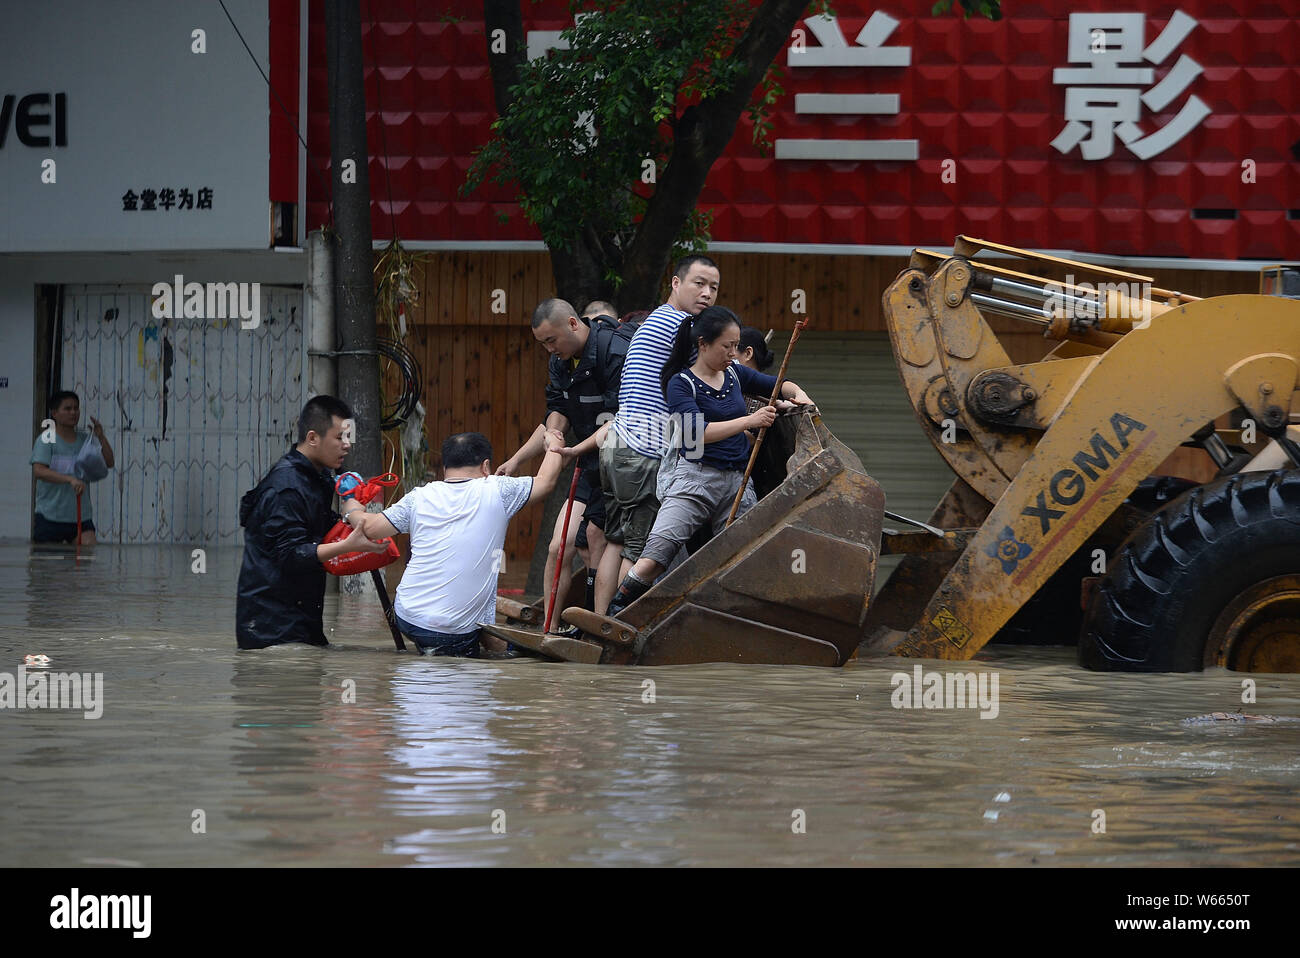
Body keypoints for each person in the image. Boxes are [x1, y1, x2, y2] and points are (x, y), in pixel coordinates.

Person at [606, 307, 811, 617]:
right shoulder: (680, 383)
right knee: (653, 559)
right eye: (726, 346)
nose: (733, 353)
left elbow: (778, 384)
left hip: (737, 483)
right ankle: (614, 616)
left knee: (743, 557)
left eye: (736, 346)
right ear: (703, 344)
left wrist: (800, 396)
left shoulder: (734, 373)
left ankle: (733, 621)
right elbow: (694, 433)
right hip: (693, 481)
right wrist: (748, 420)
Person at [351, 431, 565, 656]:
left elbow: (370, 528)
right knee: (505, 656)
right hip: (454, 631)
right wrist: (555, 445)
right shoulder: (498, 489)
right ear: (486, 466)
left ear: (445, 470)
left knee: (477, 631)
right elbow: (546, 482)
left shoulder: (419, 496)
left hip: (407, 617)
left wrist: (351, 508)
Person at [589, 255, 722, 614]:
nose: (707, 293)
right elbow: (722, 371)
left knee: (616, 543)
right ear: (676, 284)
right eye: (699, 283)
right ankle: (621, 627)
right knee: (642, 551)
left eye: (713, 287)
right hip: (646, 454)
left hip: (619, 448)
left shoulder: (653, 321)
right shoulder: (684, 327)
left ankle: (599, 622)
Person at [497, 298, 632, 632]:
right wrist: (530, 450)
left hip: (622, 464)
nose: (549, 350)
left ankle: (598, 624)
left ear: (573, 324)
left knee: (596, 540)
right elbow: (556, 411)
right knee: (559, 546)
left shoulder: (614, 352)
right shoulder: (560, 362)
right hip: (586, 463)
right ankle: (551, 628)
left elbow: (622, 419)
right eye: (542, 344)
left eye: (551, 341)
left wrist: (572, 449)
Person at [236, 395, 387, 650]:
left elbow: (322, 527)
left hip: (300, 625)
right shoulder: (286, 487)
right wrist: (347, 545)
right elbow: (291, 555)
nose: (347, 445)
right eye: (339, 437)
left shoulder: (317, 477)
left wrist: (355, 520)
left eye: (348, 437)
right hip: (271, 633)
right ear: (313, 438)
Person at [30, 390, 116, 545]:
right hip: (50, 516)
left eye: (76, 408)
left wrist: (101, 437)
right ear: (55, 413)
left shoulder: (85, 440)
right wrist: (70, 479)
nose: (73, 413)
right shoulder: (45, 440)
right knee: (47, 565)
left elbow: (109, 462)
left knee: (87, 553)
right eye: (68, 409)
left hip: (80, 517)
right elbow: (39, 471)